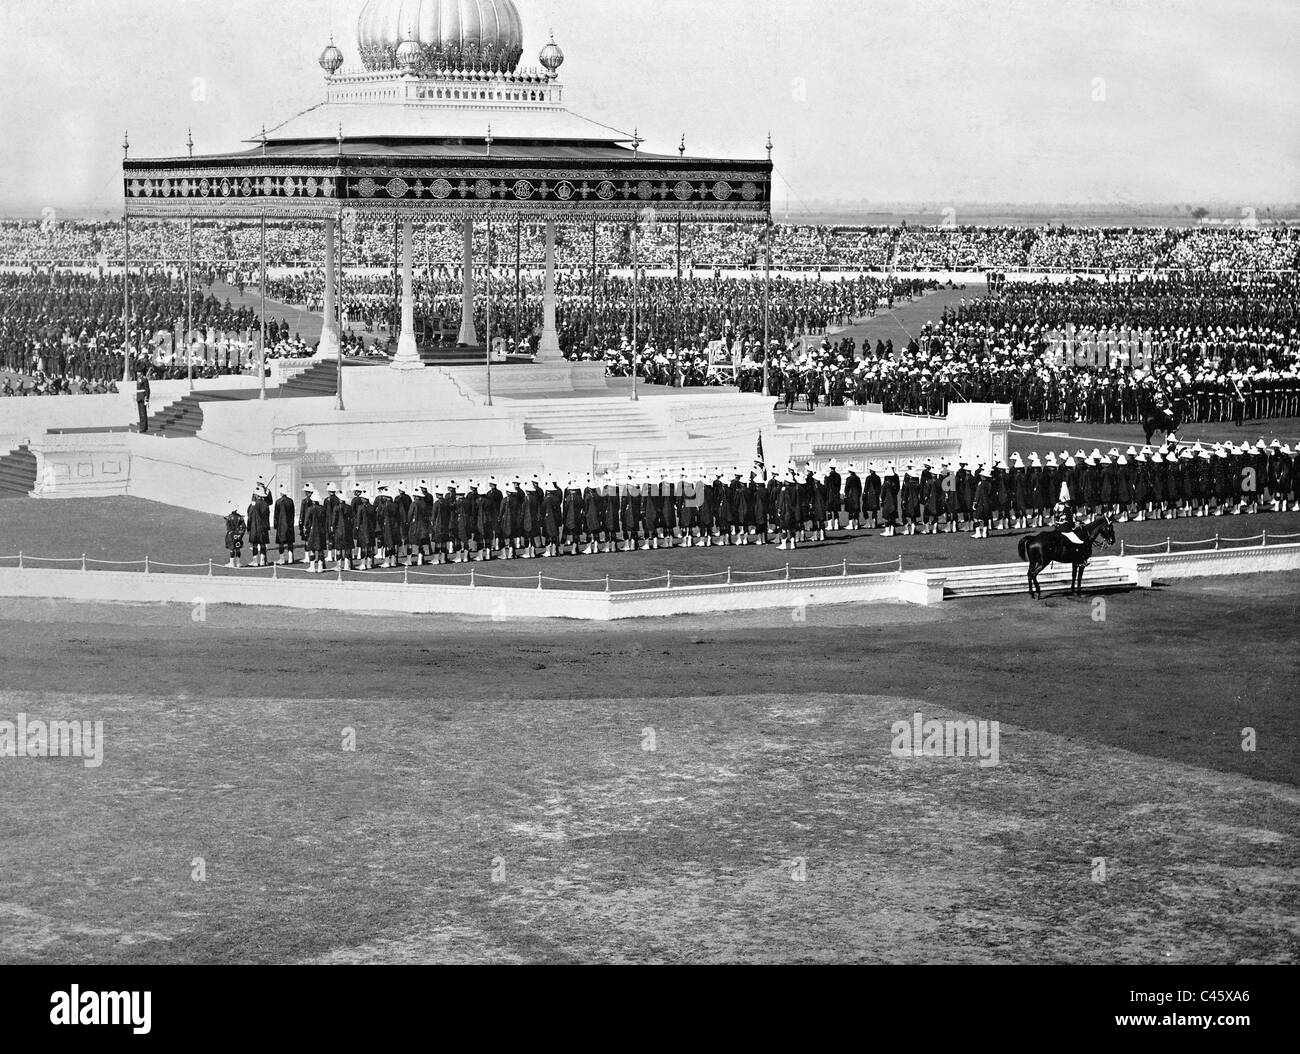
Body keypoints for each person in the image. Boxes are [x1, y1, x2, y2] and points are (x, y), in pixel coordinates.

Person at [246, 487, 270, 567]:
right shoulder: (266, 504)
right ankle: (262, 560)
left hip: (255, 527)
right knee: (263, 544)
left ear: (256, 495)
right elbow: (267, 517)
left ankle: (255, 561)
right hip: (264, 527)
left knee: (255, 545)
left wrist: (248, 527)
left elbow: (250, 517)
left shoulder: (253, 505)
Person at [274, 484, 296, 564]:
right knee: (290, 542)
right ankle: (290, 558)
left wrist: (275, 525)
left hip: (281, 525)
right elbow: (293, 513)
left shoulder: (278, 502)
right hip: (289, 524)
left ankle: (282, 558)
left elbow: (276, 515)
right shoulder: (290, 501)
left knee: (281, 543)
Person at [223, 500, 246, 568]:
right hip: (239, 535)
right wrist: (240, 534)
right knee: (238, 549)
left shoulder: (229, 517)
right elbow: (244, 527)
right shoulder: (240, 517)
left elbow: (228, 527)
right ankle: (238, 563)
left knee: (232, 549)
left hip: (231, 536)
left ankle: (231, 563)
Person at [136, 366, 151, 433]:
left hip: (143, 397)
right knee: (140, 413)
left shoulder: (144, 379)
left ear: (141, 373)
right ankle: (143, 427)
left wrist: (147, 398)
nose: (137, 373)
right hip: (139, 397)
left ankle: (143, 427)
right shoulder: (139, 379)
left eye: (138, 372)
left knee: (143, 413)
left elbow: (147, 389)